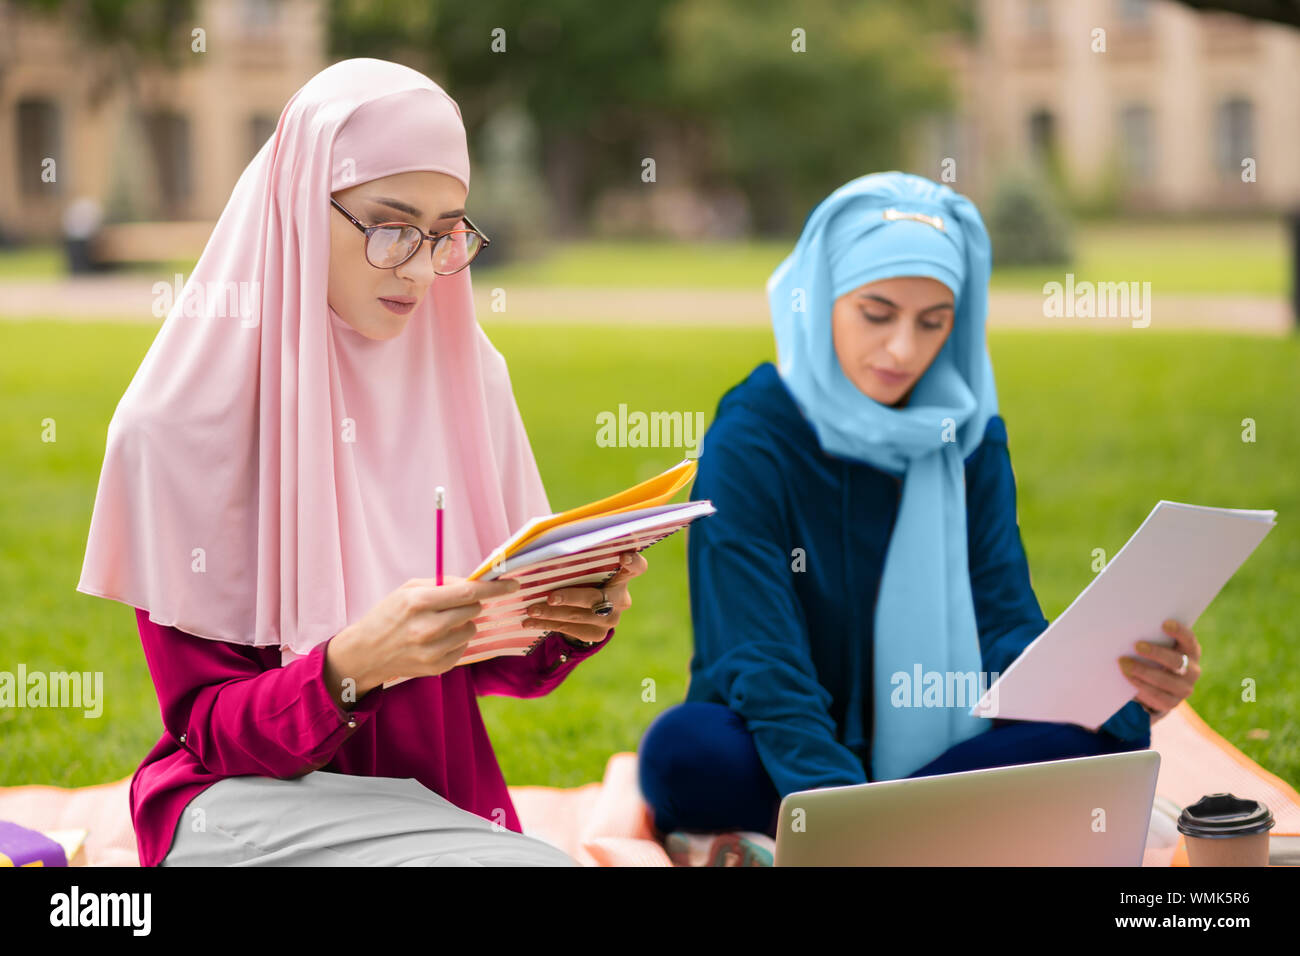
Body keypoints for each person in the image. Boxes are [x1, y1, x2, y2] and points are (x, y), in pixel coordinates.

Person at [76, 58, 646, 867]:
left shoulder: (466, 380)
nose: (418, 268)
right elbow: (208, 727)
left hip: (430, 809)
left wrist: (566, 619)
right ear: (300, 205)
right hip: (243, 810)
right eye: (390, 227)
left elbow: (490, 671)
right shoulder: (175, 424)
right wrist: (350, 667)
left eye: (445, 234)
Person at [636, 171, 1203, 866]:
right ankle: (920, 828)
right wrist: (837, 800)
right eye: (877, 314)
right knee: (684, 753)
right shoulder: (751, 436)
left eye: (933, 322)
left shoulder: (967, 435)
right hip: (778, 743)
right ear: (821, 297)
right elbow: (761, 660)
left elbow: (1004, 624)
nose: (903, 349)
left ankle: (832, 838)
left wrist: (1121, 692)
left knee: (1108, 740)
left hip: (944, 741)